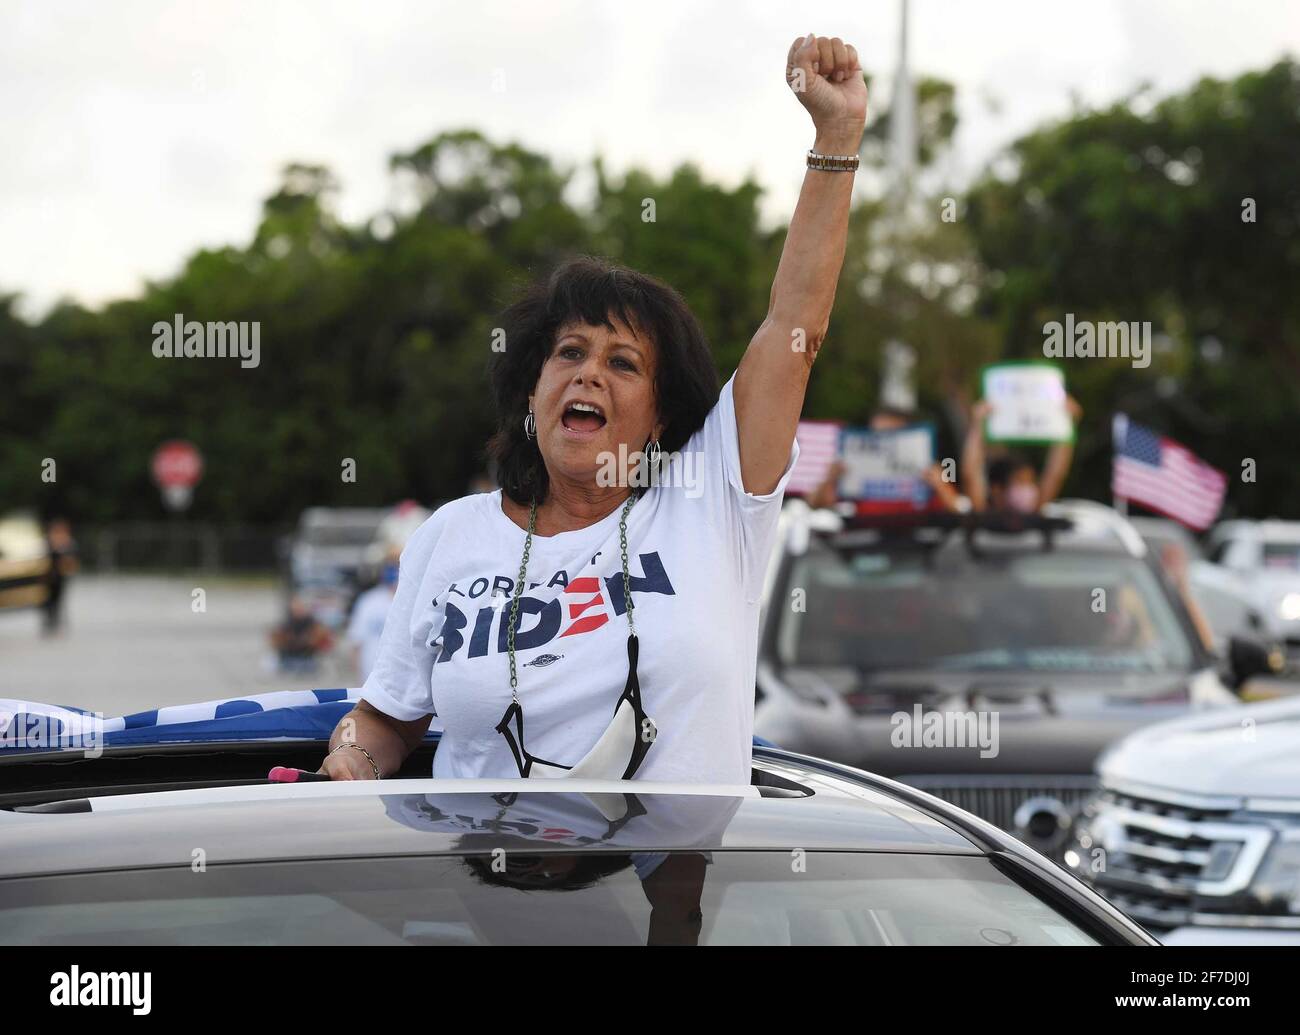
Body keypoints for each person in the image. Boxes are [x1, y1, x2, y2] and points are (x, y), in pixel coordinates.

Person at [320, 32, 868, 783]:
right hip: (477, 898)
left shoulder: (710, 502)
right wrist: (351, 755)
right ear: (532, 391)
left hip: (670, 898)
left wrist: (835, 136)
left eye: (623, 363)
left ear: (662, 416)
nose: (588, 376)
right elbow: (386, 715)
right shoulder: (449, 538)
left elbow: (793, 333)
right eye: (569, 353)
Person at [805, 406, 965, 514]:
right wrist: (830, 479)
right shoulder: (854, 470)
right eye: (877, 435)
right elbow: (813, 505)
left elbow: (960, 509)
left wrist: (941, 485)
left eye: (890, 435)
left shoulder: (929, 471)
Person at [961, 396, 1082, 514]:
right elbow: (970, 474)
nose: (1027, 490)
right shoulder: (983, 514)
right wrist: (977, 425)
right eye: (1020, 482)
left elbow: (1055, 475)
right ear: (997, 490)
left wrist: (1066, 426)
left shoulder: (1035, 513)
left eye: (1030, 482)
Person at [346, 549, 401, 683]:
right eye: (390, 566)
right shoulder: (369, 600)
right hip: (370, 679)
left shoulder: (413, 600)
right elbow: (356, 641)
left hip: (400, 682)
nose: (393, 571)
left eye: (396, 566)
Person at [270, 596, 333, 674]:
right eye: (295, 607)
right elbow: (276, 639)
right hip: (289, 656)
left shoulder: (312, 622)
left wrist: (307, 640)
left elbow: (322, 637)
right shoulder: (286, 623)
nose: (298, 609)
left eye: (300, 607)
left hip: (307, 656)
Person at [41, 517, 78, 636]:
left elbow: (72, 558)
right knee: (48, 599)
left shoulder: (68, 542)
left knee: (58, 598)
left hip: (61, 576)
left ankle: (56, 620)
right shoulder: (47, 541)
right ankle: (49, 620)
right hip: (49, 575)